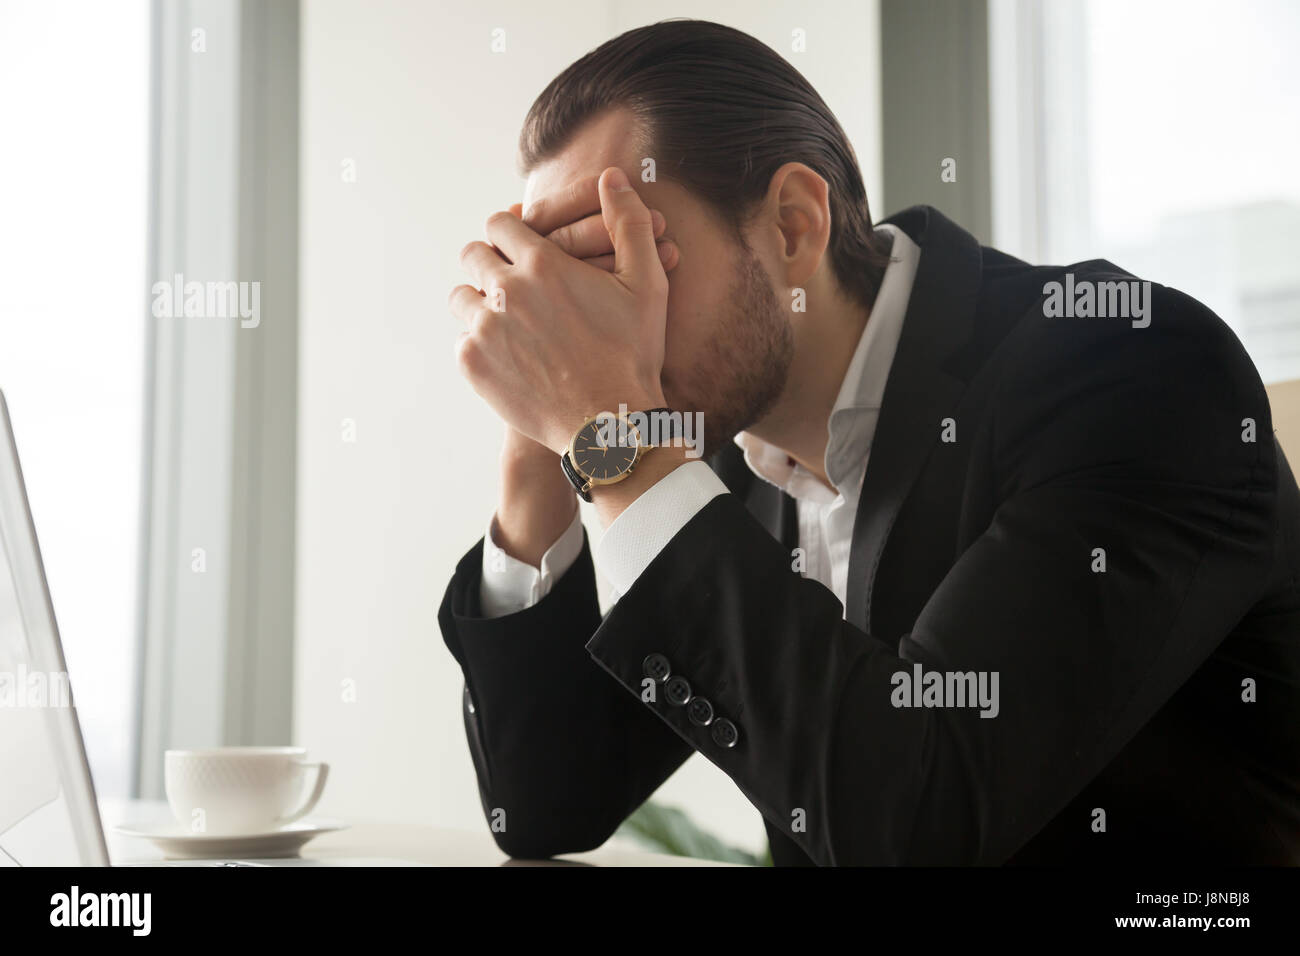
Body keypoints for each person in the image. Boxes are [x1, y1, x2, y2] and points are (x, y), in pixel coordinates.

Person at [440, 20, 1300, 865]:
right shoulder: (713, 441)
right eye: (569, 283)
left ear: (791, 224)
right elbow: (544, 804)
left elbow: (924, 815)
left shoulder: (1134, 371)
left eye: (626, 256)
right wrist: (537, 454)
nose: (608, 321)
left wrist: (609, 433)